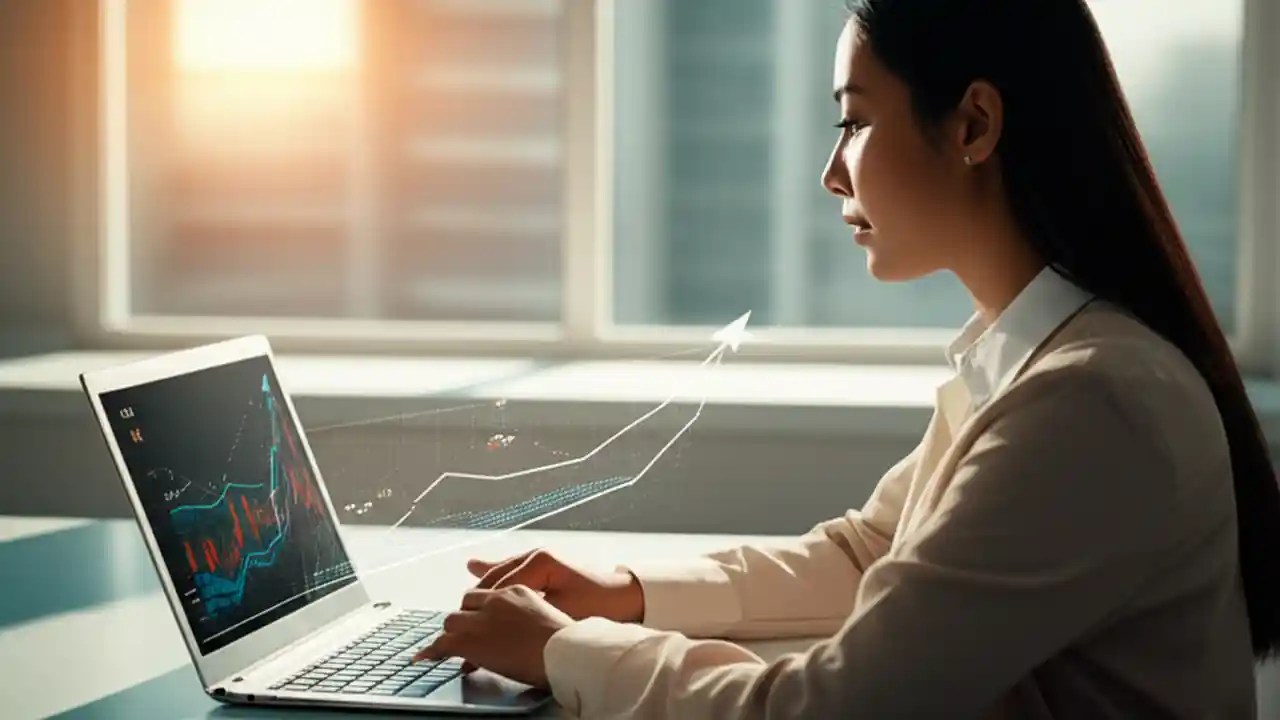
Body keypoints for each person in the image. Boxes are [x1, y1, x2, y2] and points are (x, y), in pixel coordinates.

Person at [413, 0, 1280, 717]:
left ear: (974, 124)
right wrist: (628, 591)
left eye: (855, 121)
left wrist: (567, 649)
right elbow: (873, 553)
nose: (833, 172)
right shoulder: (1037, 361)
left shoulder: (1088, 404)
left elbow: (832, 706)